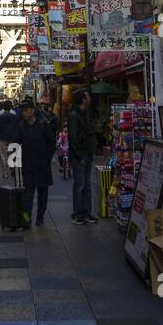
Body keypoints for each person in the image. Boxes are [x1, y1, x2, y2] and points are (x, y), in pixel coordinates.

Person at [15, 98, 56, 228]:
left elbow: (51, 143)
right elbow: (16, 145)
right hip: (28, 166)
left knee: (43, 194)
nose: (24, 113)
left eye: (26, 110)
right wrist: (15, 164)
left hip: (42, 166)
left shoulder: (43, 125)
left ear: (32, 111)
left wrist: (47, 158)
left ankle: (40, 217)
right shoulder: (21, 126)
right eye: (23, 111)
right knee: (27, 197)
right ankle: (26, 220)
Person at [67, 90, 98, 225]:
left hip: (87, 153)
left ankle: (86, 213)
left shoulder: (84, 114)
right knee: (80, 185)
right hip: (80, 155)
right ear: (83, 100)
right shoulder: (74, 115)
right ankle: (78, 214)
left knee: (87, 185)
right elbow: (73, 138)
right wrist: (79, 156)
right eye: (87, 96)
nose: (90, 98)